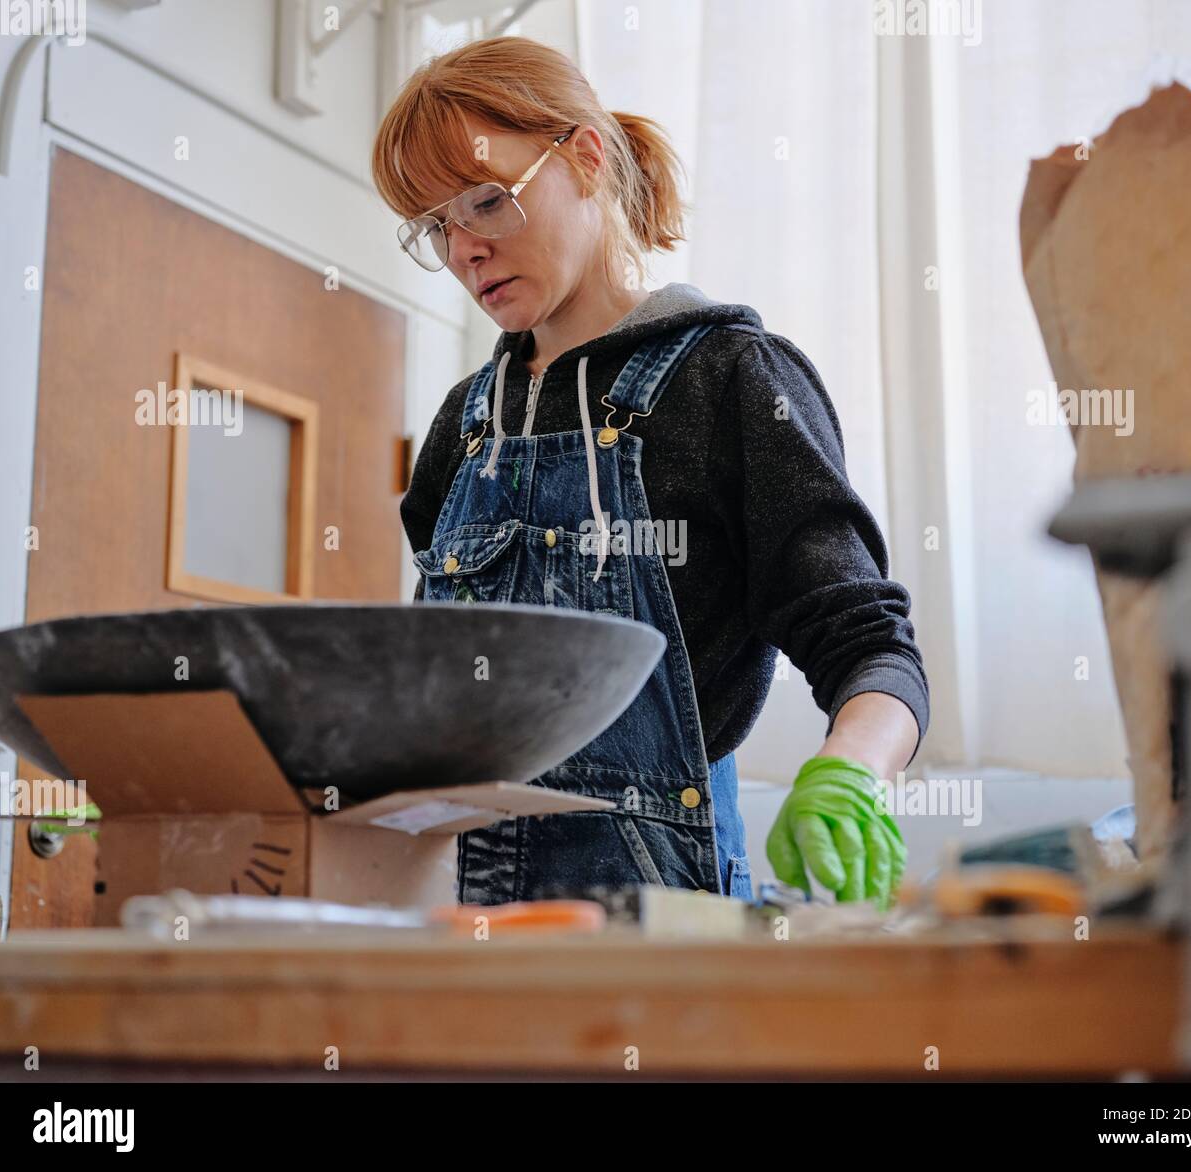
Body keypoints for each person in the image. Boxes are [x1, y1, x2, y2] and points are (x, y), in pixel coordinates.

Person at [372, 36, 928, 909]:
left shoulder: (734, 380)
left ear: (586, 158)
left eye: (485, 201)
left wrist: (852, 773)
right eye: (436, 225)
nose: (465, 250)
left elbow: (870, 646)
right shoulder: (463, 428)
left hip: (662, 913)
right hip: (458, 908)